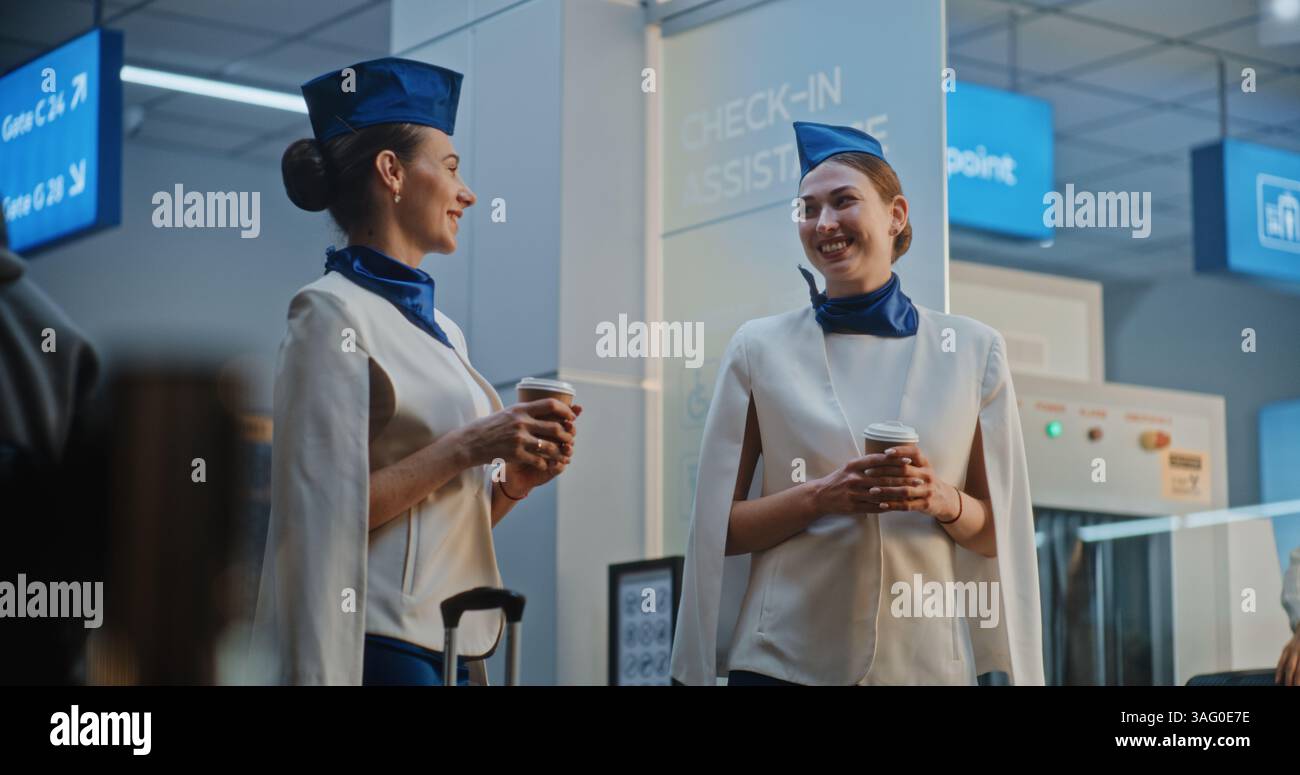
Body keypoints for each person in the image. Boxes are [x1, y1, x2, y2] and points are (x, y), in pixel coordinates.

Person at [671, 122, 1044, 686]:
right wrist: (823, 496)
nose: (824, 224)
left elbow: (1000, 532)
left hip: (923, 667)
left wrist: (938, 497)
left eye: (844, 201)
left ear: (896, 214)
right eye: (808, 207)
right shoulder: (759, 348)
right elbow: (715, 530)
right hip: (782, 663)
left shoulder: (972, 351)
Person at [251, 58, 581, 685]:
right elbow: (322, 512)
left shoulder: (444, 332)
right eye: (452, 168)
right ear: (392, 172)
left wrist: (512, 482)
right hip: (378, 645)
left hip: (455, 641)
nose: (468, 192)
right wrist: (472, 444)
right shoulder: (327, 311)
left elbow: (444, 521)